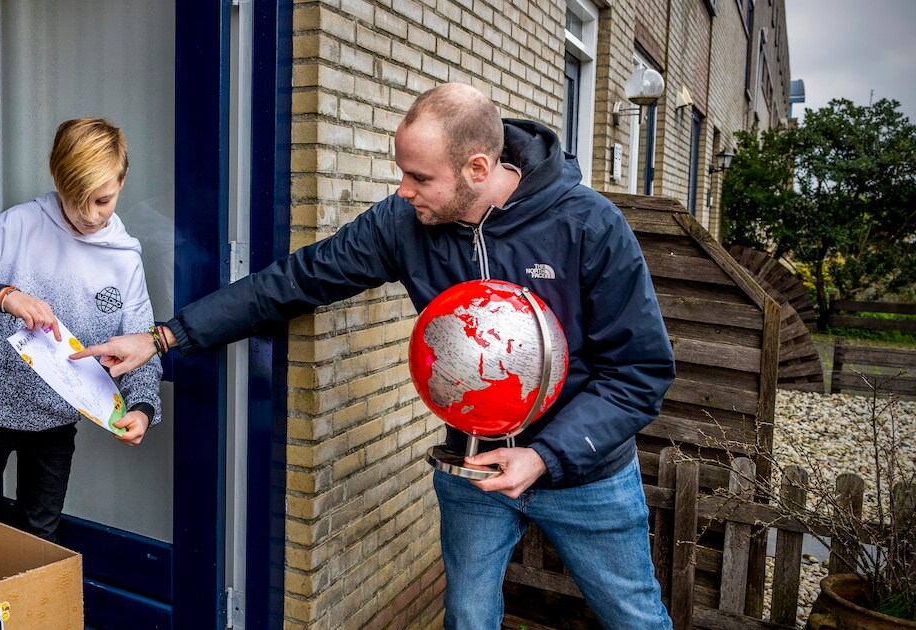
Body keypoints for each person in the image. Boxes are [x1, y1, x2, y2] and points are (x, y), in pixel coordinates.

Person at [72, 83, 674, 627]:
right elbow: (293, 281)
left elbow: (640, 372)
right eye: (401, 172)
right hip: (474, 461)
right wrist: (162, 337)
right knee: (466, 614)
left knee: (633, 616)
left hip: (586, 473)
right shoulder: (403, 225)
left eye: (419, 177)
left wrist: (545, 456)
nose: (401, 190)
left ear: (478, 167)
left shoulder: (589, 226)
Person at [0, 117, 162, 541]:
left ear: (123, 181)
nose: (87, 214)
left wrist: (142, 408)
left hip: (54, 427)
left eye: (102, 201)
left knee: (37, 542)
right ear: (57, 179)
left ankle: (22, 611)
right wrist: (4, 295)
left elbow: (138, 345)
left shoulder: (124, 260)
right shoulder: (18, 225)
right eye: (74, 199)